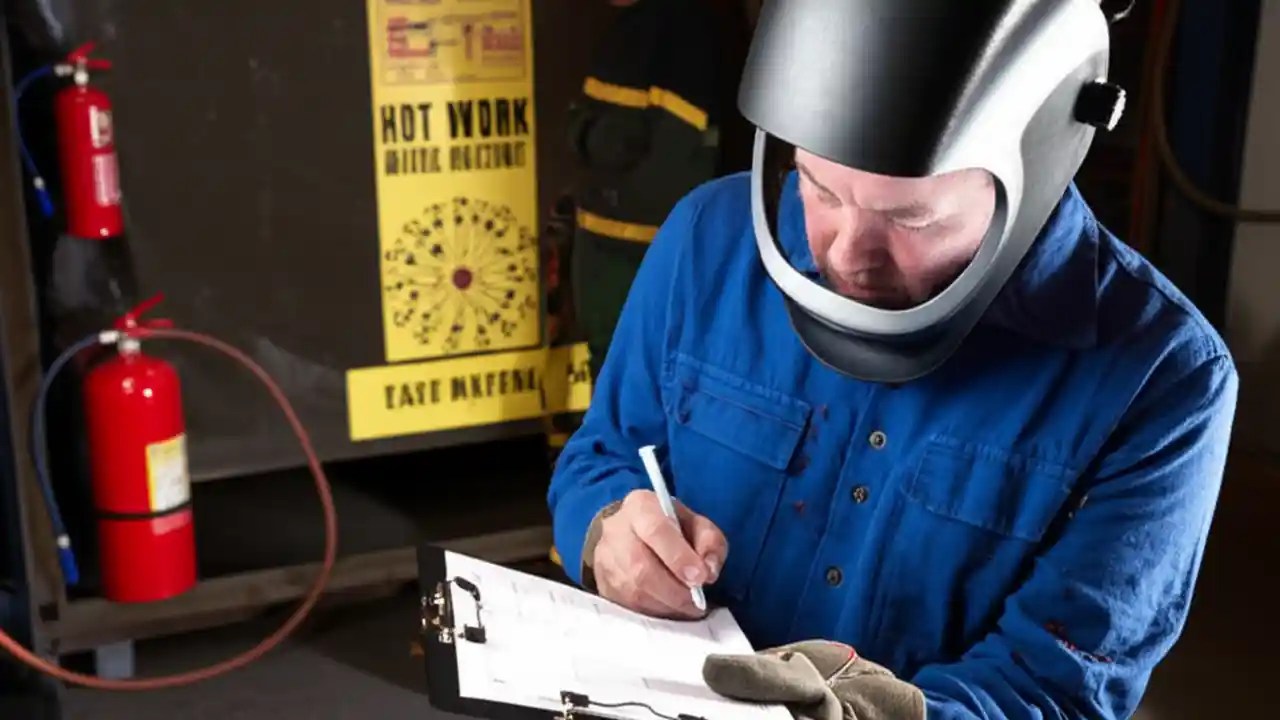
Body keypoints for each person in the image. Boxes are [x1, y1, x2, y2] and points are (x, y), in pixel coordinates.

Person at [547, 2, 1239, 719]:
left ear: (1035, 165)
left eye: (911, 217)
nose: (848, 254)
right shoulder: (709, 239)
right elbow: (602, 455)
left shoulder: (1163, 381)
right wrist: (606, 530)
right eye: (820, 188)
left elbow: (1055, 686)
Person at [566, 0, 726, 382]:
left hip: (634, 253)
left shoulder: (670, 29)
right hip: (623, 246)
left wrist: (585, 133)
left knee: (633, 377)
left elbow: (617, 142)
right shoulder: (641, 26)